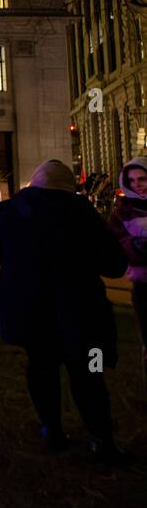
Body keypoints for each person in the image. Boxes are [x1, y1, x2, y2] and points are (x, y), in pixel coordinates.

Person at [0, 160, 129, 466]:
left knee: (41, 366)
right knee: (87, 375)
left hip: (29, 310)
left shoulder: (9, 211)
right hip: (78, 309)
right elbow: (114, 264)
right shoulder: (80, 212)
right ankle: (100, 439)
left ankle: (52, 429)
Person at [107, 157, 147, 388]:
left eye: (142, 179)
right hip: (143, 286)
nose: (138, 184)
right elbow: (125, 251)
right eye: (132, 181)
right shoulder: (122, 214)